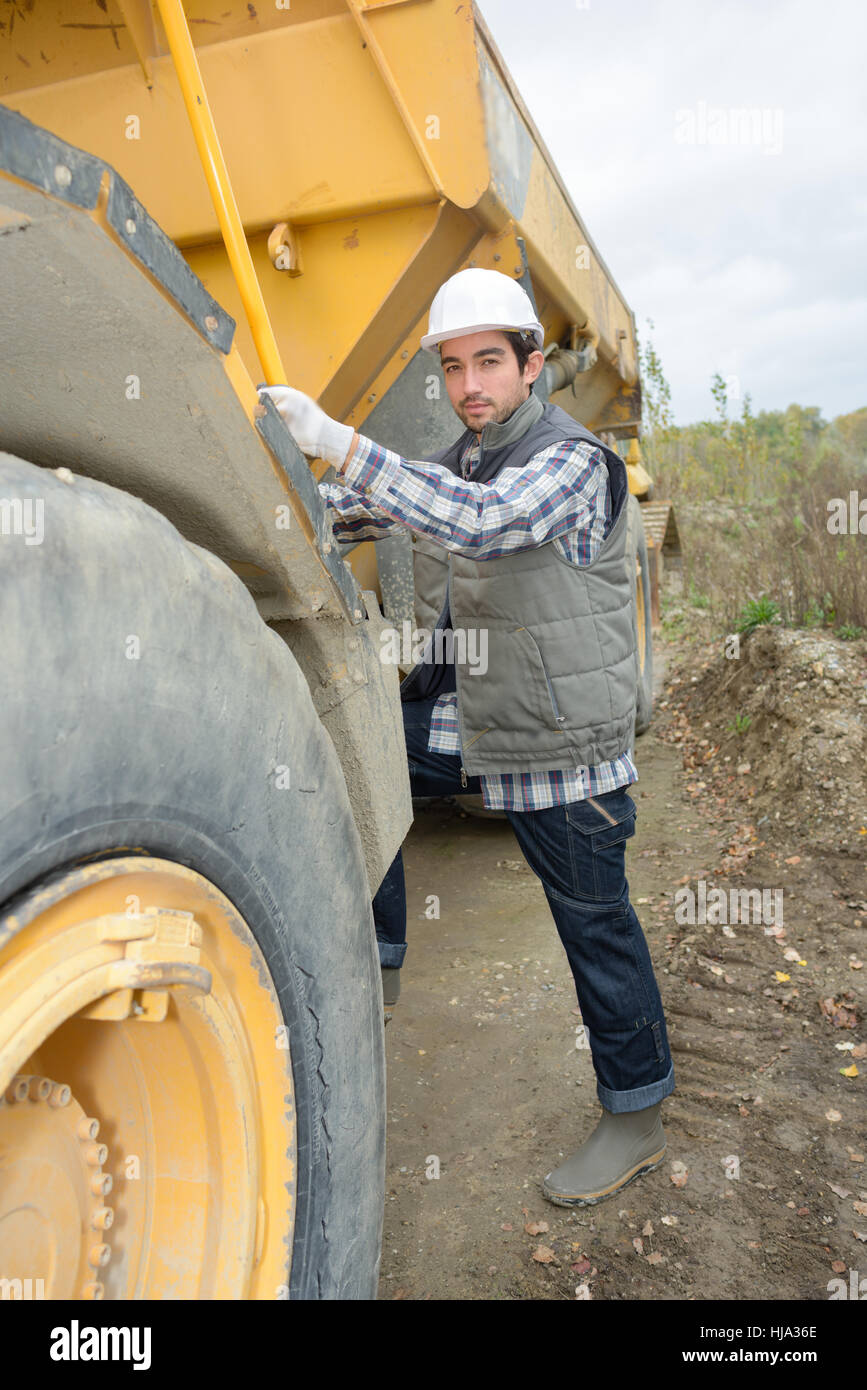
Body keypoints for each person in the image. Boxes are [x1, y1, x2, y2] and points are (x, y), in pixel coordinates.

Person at [259, 267, 675, 1208]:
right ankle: (382, 963)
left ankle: (636, 1115)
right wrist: (272, 488)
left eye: (488, 361)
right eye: (451, 367)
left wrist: (339, 442)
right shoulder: (465, 459)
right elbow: (357, 515)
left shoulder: (571, 463)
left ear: (532, 364)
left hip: (565, 747)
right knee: (357, 744)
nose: (468, 384)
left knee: (596, 930)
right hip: (483, 720)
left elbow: (484, 526)